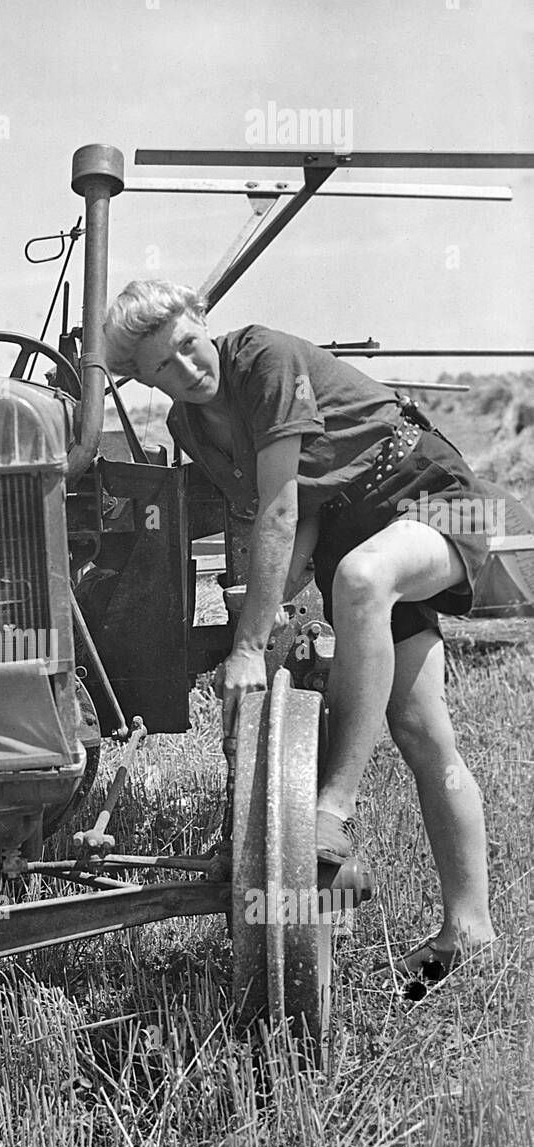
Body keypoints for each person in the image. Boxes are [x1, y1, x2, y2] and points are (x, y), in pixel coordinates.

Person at [102, 280, 532, 981]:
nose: (186, 369)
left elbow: (275, 507)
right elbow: (298, 515)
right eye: (162, 369)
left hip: (430, 493)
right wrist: (264, 613)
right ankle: (470, 928)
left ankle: (333, 808)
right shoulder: (189, 428)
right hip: (351, 536)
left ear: (200, 320)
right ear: (143, 381)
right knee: (424, 732)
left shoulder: (264, 361)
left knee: (361, 582)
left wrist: (245, 645)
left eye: (186, 344)